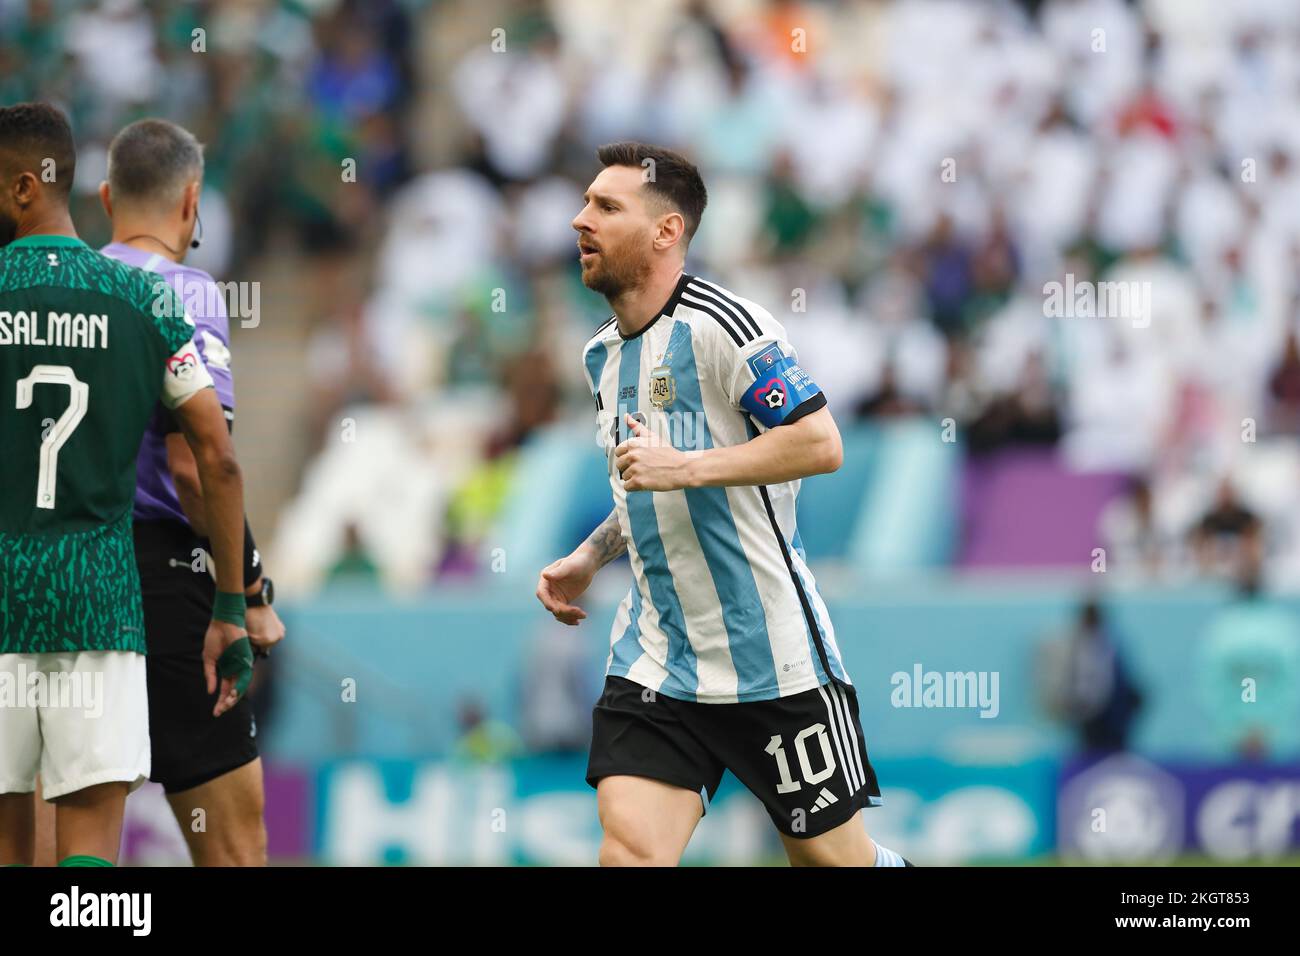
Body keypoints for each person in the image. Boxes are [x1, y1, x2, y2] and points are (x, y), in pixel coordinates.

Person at [536, 142, 908, 867]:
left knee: (833, 862)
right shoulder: (601, 355)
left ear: (667, 232)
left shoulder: (726, 325)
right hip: (659, 658)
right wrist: (589, 556)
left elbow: (819, 442)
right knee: (630, 853)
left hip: (771, 659)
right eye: (584, 204)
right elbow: (648, 484)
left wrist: (686, 466)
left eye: (606, 207)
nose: (580, 221)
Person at [0, 103, 249, 867]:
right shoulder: (147, 302)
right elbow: (216, 454)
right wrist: (235, 604)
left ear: (21, 189)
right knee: (87, 858)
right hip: (100, 605)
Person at [98, 118, 286, 865]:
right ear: (192, 204)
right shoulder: (187, 291)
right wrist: (250, 590)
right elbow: (195, 466)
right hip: (169, 587)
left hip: (74, 581)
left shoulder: (74, 290)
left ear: (107, 197)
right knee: (235, 851)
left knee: (65, 842)